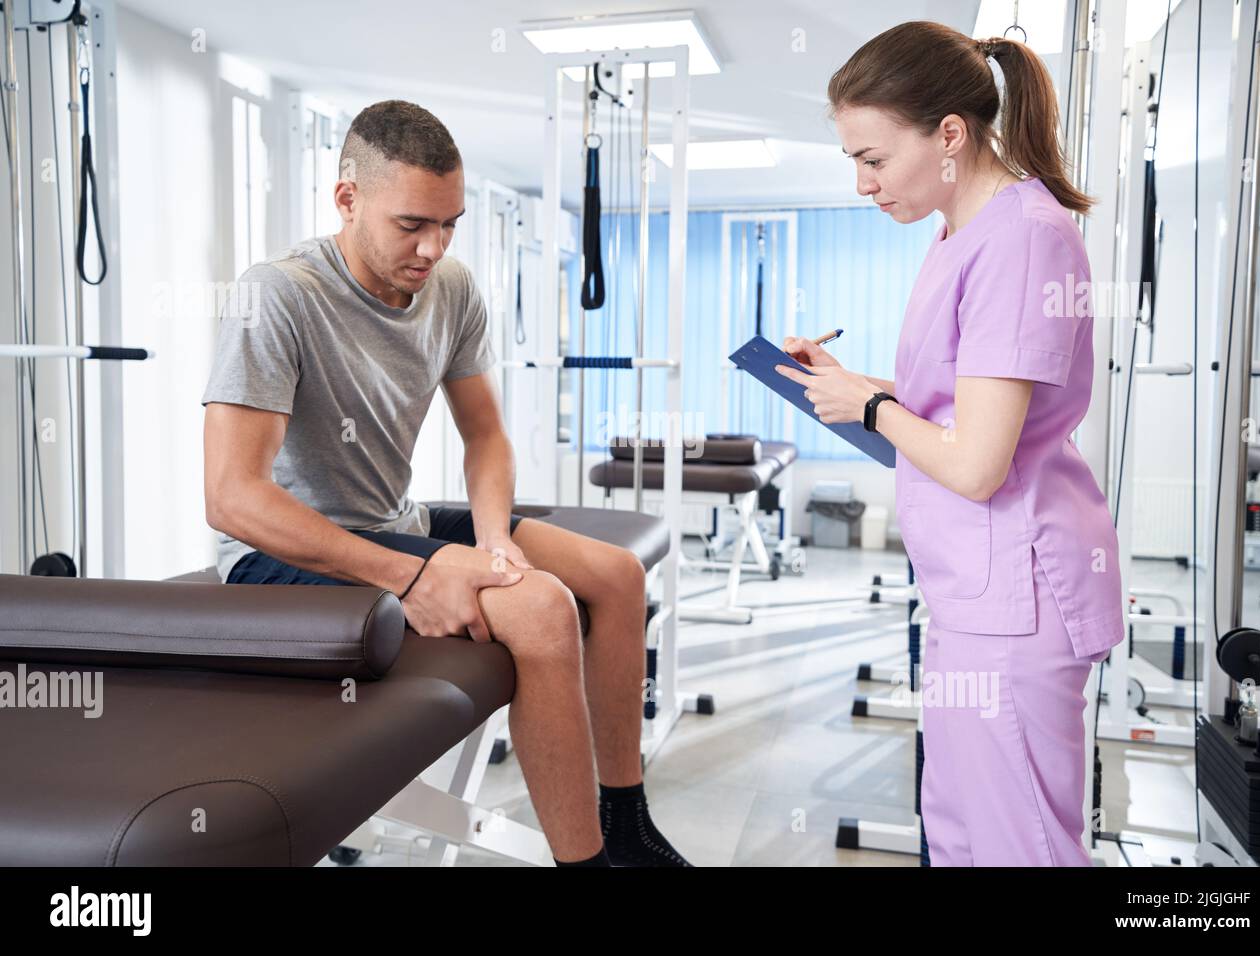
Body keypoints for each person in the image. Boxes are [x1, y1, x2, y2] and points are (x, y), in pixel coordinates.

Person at [201, 100, 690, 868]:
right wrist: (412, 574)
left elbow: (486, 433)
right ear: (348, 198)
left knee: (617, 575)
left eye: (450, 223)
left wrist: (493, 542)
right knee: (541, 608)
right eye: (411, 225)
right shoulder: (281, 294)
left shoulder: (451, 288)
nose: (433, 247)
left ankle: (624, 825)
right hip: (280, 556)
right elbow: (232, 497)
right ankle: (585, 864)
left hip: (400, 519)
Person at [777, 21, 1125, 866]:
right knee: (963, 837)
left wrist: (869, 407)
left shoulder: (1022, 238)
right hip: (972, 594)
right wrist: (859, 391)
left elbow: (976, 462)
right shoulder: (958, 234)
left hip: (1017, 598)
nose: (862, 184)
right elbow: (950, 415)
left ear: (949, 135)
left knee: (1020, 849)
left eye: (873, 158)